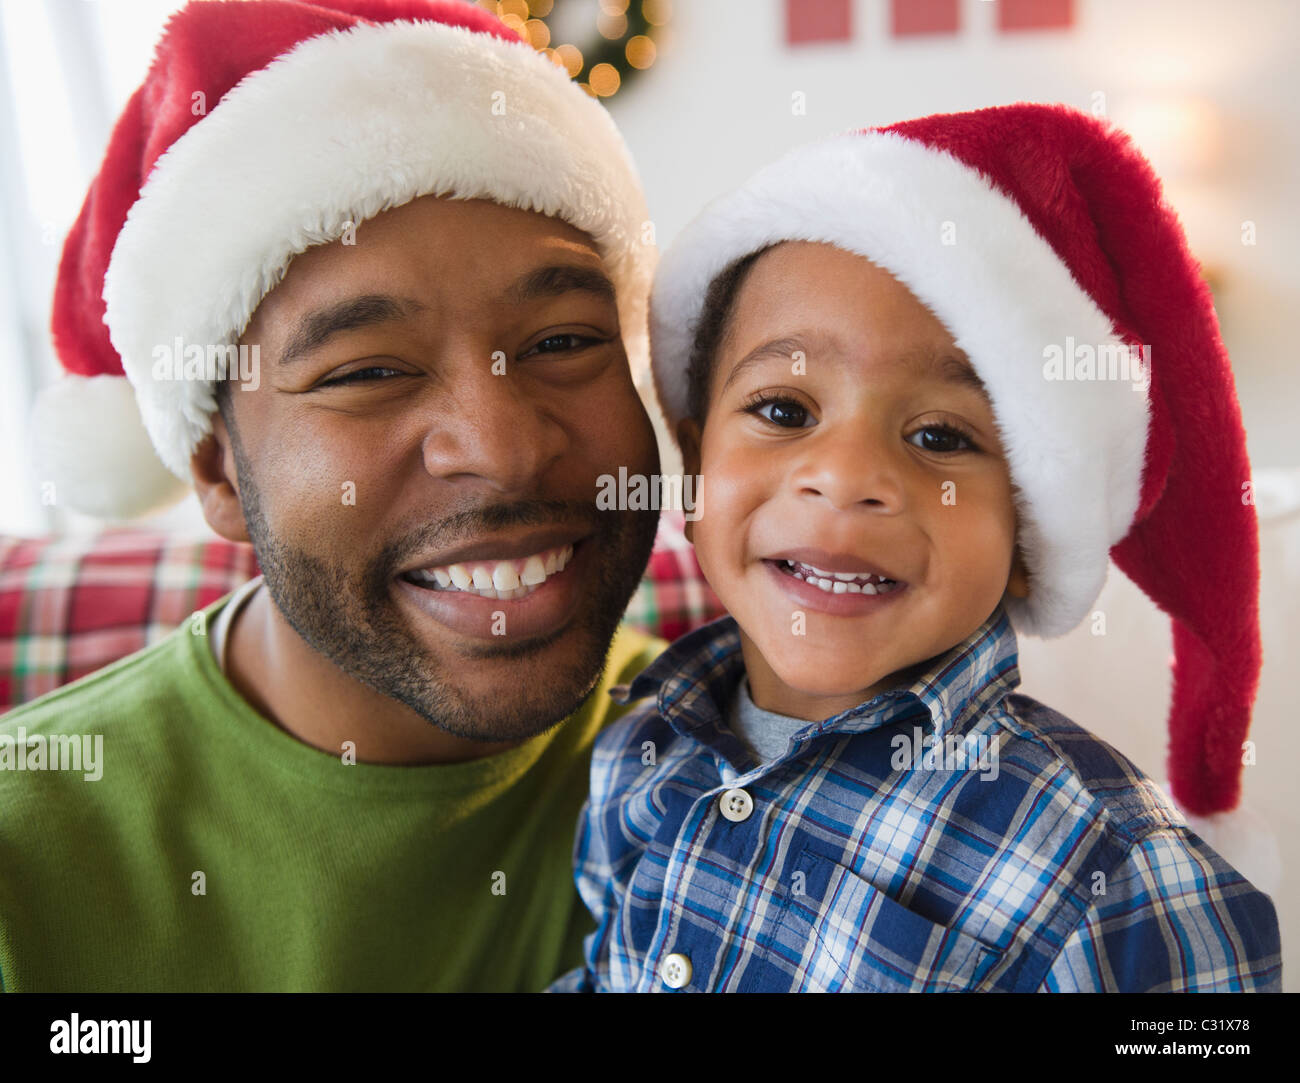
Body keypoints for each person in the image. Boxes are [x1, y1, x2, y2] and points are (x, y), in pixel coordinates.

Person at [0, 0, 667, 992]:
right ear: (218, 471)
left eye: (564, 342)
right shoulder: (28, 846)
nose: (506, 448)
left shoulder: (745, 771)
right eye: (366, 371)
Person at [560, 104, 1283, 992]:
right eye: (784, 410)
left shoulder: (1113, 868)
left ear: (1028, 535)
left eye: (941, 436)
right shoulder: (637, 752)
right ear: (696, 457)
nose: (847, 474)